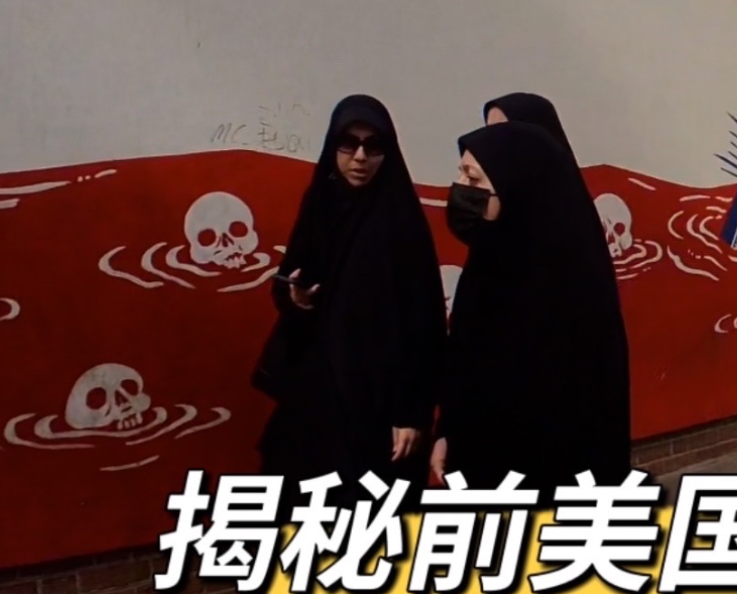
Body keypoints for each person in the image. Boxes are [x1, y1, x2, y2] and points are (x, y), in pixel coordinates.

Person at [255, 96, 446, 499]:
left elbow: (424, 324)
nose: (360, 157)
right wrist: (296, 299)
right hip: (317, 395)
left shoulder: (402, 221)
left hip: (381, 404)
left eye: (373, 146)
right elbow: (289, 281)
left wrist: (412, 413)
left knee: (373, 515)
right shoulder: (320, 204)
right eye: (349, 143)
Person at [432, 121, 632, 496]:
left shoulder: (573, 287)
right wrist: (448, 431)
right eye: (460, 173)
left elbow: (591, 414)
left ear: (516, 187)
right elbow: (463, 363)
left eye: (472, 179)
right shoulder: (486, 262)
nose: (459, 188)